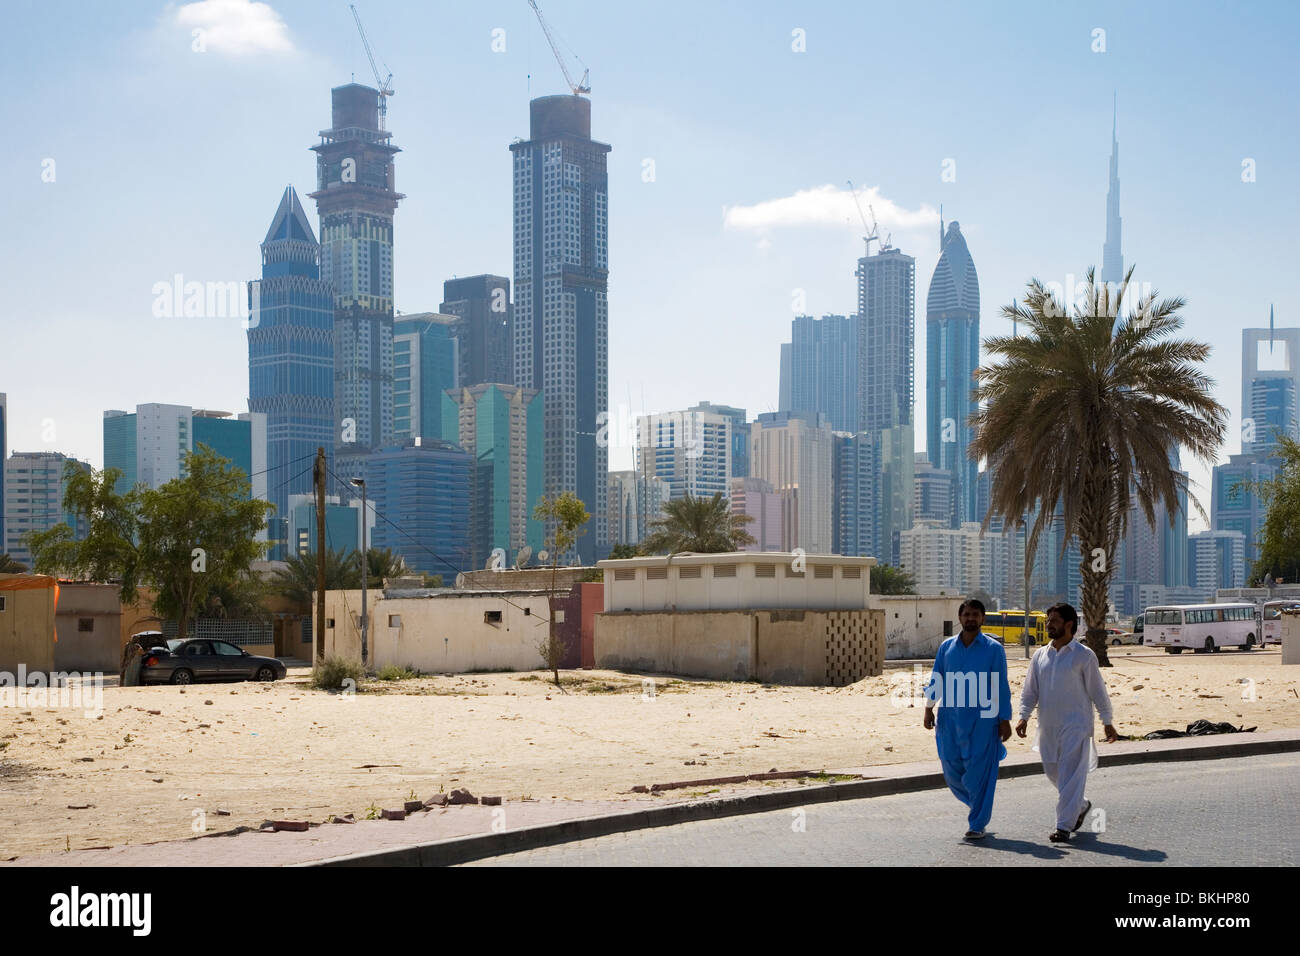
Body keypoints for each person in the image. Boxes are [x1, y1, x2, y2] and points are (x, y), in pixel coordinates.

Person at [1015, 602, 1119, 843]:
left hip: (1077, 726)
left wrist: (1107, 720)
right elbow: (1030, 690)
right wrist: (1024, 716)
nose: (1049, 624)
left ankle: (1063, 826)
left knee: (1071, 774)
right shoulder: (1040, 655)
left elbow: (1098, 691)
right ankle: (1080, 805)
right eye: (1048, 620)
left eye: (1054, 620)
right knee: (1053, 771)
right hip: (1048, 726)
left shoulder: (1084, 656)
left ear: (1069, 624)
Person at [923, 598, 1012, 840]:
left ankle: (977, 822)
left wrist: (1005, 719)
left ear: (983, 618)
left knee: (979, 774)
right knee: (952, 769)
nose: (970, 618)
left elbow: (1000, 685)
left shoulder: (994, 649)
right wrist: (928, 708)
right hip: (950, 719)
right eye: (966, 614)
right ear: (960, 618)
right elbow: (936, 678)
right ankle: (977, 804)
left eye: (975, 614)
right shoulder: (946, 647)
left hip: (984, 720)